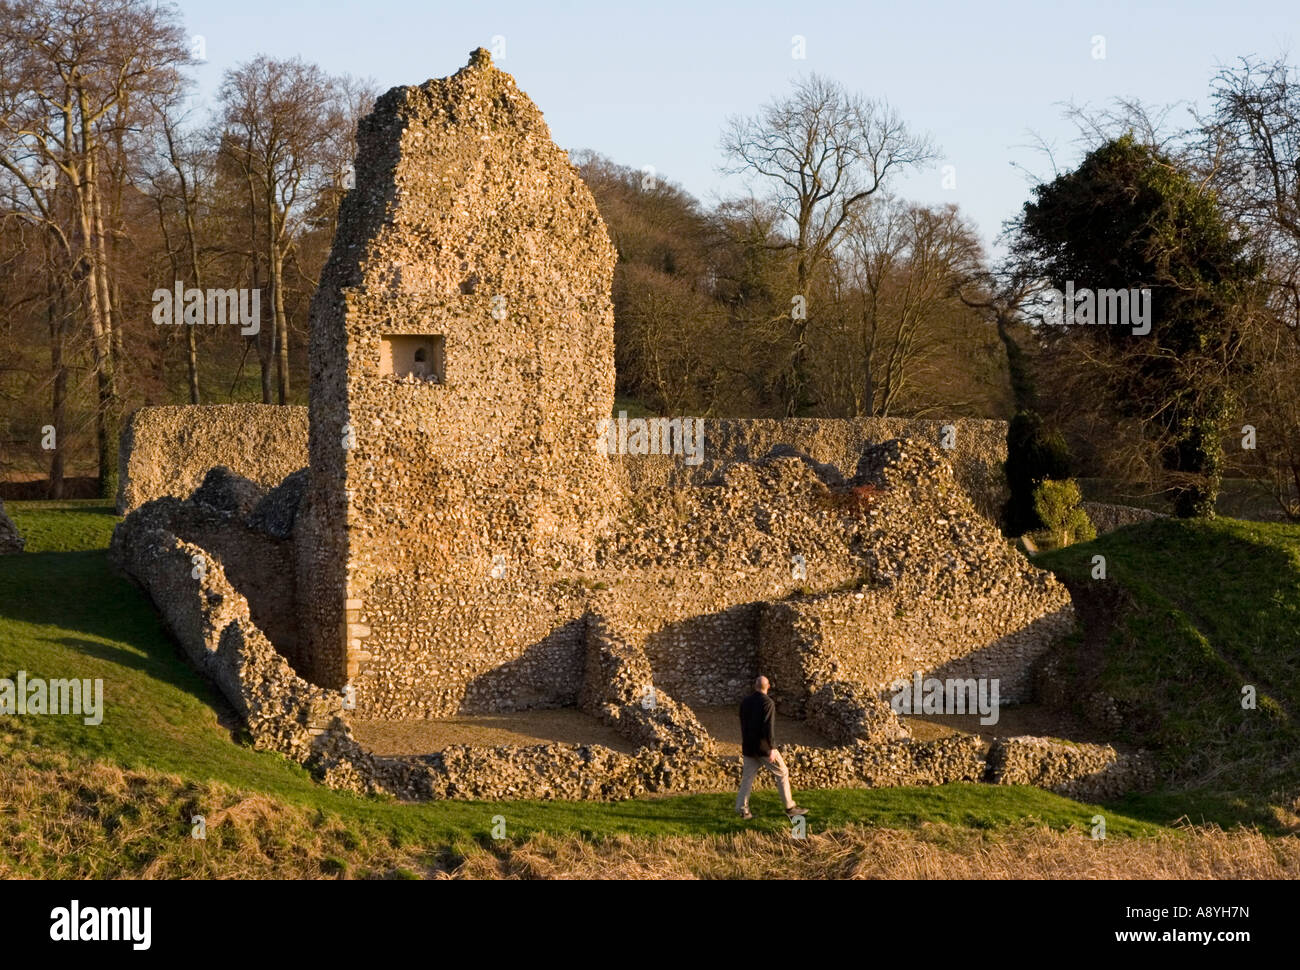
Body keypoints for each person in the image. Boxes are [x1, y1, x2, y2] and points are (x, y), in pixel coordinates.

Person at [735, 675, 807, 820]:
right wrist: (772, 748)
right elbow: (768, 726)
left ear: (755, 686)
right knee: (782, 772)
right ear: (768, 687)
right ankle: (789, 807)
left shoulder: (745, 702)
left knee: (747, 779)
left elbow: (744, 724)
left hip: (748, 746)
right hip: (763, 747)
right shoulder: (768, 703)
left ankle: (742, 810)